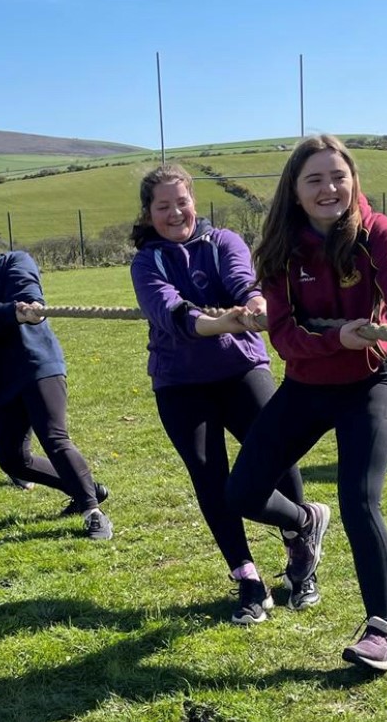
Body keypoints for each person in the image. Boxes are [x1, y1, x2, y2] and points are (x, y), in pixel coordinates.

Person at [226, 135, 387, 672]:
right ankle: (302, 522)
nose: (329, 188)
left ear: (353, 180)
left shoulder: (376, 232)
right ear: (295, 191)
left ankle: (384, 630)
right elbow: (284, 337)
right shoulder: (280, 248)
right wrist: (333, 341)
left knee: (359, 500)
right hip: (306, 382)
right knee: (243, 491)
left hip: (369, 381)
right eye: (314, 179)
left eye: (338, 176)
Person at [129, 164, 307, 624]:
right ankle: (247, 578)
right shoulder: (146, 261)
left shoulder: (223, 240)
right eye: (163, 206)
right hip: (179, 382)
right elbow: (172, 311)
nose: (175, 213)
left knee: (276, 455)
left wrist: (253, 304)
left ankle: (300, 543)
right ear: (149, 214)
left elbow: (241, 281)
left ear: (194, 202)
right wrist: (217, 323)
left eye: (181, 202)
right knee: (211, 479)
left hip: (239, 368)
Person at [0, 210, 112, 540]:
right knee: (13, 459)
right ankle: (87, 487)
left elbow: (27, 293)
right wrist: (12, 312)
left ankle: (91, 510)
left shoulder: (17, 260)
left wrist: (23, 307)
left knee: (54, 437)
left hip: (37, 364)